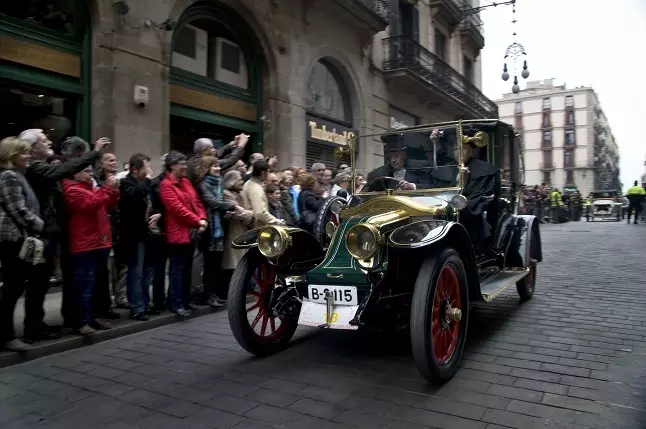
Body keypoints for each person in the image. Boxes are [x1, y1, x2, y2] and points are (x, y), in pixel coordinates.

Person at [20, 130, 109, 338]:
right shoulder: (37, 168)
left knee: (62, 279)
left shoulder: (49, 168)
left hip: (58, 232)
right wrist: (94, 152)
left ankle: (61, 320)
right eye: (44, 140)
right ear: (32, 148)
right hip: (43, 232)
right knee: (38, 283)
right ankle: (34, 327)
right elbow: (64, 173)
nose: (50, 141)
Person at [0, 137, 45, 352]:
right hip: (12, 240)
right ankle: (6, 335)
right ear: (12, 155)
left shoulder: (19, 175)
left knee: (15, 287)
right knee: (12, 288)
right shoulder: (9, 176)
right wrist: (39, 224)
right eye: (24, 153)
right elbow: (18, 209)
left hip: (19, 238)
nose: (29, 156)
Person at [63, 165, 120, 334]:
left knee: (95, 285)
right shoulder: (72, 190)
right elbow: (90, 204)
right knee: (84, 285)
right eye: (86, 171)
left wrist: (113, 191)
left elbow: (107, 205)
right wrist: (108, 188)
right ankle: (81, 322)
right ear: (76, 173)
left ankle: (92, 318)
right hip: (85, 243)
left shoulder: (90, 187)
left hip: (98, 241)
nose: (91, 173)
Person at [159, 151, 207, 316]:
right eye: (182, 164)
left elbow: (197, 202)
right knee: (177, 270)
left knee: (187, 269)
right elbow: (177, 210)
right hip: (177, 234)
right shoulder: (166, 185)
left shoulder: (186, 182)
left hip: (191, 232)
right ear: (172, 165)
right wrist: (198, 221)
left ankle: (185, 301)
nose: (185, 167)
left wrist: (202, 218)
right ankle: (176, 303)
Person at [119, 153, 159, 321]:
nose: (149, 170)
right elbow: (132, 198)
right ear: (135, 169)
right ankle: (136, 307)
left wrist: (158, 214)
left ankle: (145, 303)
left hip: (147, 233)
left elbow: (153, 204)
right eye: (146, 167)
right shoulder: (126, 183)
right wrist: (146, 181)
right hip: (133, 235)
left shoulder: (146, 184)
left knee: (147, 271)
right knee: (136, 272)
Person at [194, 156, 238, 307]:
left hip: (218, 230)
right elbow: (211, 202)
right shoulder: (203, 185)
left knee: (215, 264)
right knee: (209, 265)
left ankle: (213, 294)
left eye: (219, 166)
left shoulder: (218, 183)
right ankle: (208, 295)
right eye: (214, 166)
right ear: (207, 168)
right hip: (209, 231)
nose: (218, 169)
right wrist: (230, 207)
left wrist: (226, 212)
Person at [454, 134, 499, 252]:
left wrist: (464, 182)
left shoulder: (484, 171)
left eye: (463, 149)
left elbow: (480, 196)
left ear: (470, 152)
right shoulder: (445, 168)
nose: (458, 152)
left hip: (469, 213)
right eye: (456, 149)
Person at [221, 170, 254, 297]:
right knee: (233, 264)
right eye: (239, 179)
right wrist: (249, 215)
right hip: (233, 232)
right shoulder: (226, 194)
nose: (241, 181)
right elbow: (238, 214)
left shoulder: (242, 193)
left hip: (243, 231)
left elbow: (249, 210)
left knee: (241, 262)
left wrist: (248, 214)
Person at [241, 160, 283, 228]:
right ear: (263, 173)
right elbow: (260, 213)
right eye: (268, 172)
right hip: (255, 227)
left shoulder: (250, 183)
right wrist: (277, 222)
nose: (269, 174)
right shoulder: (256, 189)